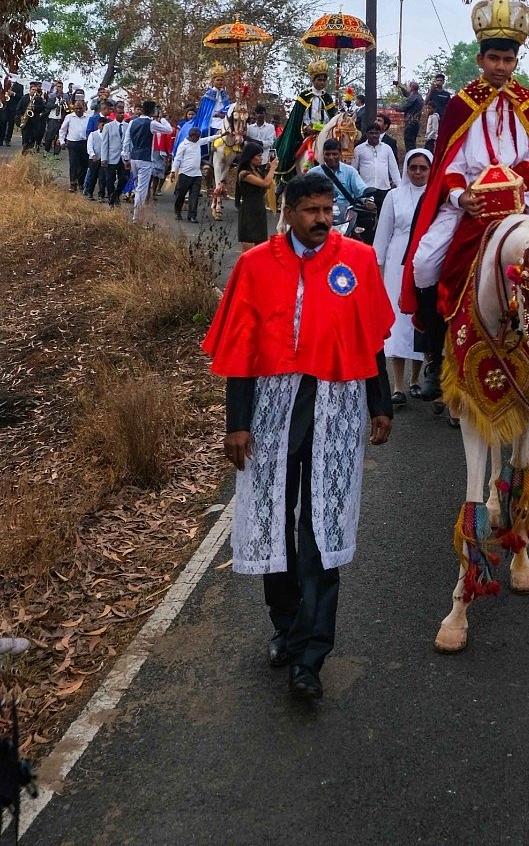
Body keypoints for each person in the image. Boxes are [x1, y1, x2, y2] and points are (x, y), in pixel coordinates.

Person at [202, 170, 393, 701]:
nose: (322, 220)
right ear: (286, 211)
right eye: (310, 210)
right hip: (272, 406)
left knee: (320, 529)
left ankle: (311, 655)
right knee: (276, 519)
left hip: (336, 403)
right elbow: (239, 349)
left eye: (328, 210)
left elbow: (370, 334)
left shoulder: (355, 260)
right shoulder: (254, 266)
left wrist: (380, 404)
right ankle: (285, 625)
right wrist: (236, 423)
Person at [401, 0, 529, 402]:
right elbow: (448, 163)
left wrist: (524, 183)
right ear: (480, 58)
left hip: (520, 203)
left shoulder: (528, 103)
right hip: (468, 203)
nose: (501, 67)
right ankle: (435, 356)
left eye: (508, 60)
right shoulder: (462, 103)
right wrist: (460, 195)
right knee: (425, 264)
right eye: (494, 59)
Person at [376, 149, 432, 405]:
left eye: (423, 168)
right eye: (413, 167)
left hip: (425, 263)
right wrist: (375, 267)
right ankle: (398, 384)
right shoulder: (393, 196)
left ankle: (416, 380)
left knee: (420, 321)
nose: (418, 172)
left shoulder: (436, 197)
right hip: (397, 263)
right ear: (406, 169)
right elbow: (383, 233)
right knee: (399, 322)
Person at [273, 60, 337, 187]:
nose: (322, 83)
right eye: (319, 80)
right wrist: (305, 128)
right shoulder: (304, 96)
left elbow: (332, 118)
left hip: (324, 132)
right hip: (306, 133)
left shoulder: (328, 98)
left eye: (324, 80)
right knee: (292, 151)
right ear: (313, 80)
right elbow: (296, 118)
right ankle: (286, 179)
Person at [122, 100, 173, 222]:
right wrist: (162, 118)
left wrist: (125, 158)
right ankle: (136, 217)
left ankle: (137, 214)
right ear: (152, 111)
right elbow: (169, 130)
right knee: (142, 189)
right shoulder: (151, 123)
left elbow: (126, 141)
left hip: (134, 157)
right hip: (145, 159)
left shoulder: (133, 122)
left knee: (136, 186)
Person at [316, 138, 374, 232]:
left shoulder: (350, 172)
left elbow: (361, 189)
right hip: (319, 215)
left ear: (340, 154)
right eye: (328, 154)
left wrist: (368, 200)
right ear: (323, 154)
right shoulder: (313, 173)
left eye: (334, 154)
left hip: (345, 217)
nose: (331, 157)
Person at [353, 122, 400, 224]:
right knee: (367, 218)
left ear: (380, 133)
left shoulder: (387, 148)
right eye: (371, 133)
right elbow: (354, 170)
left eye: (376, 133)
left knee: (385, 218)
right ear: (366, 134)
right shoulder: (359, 149)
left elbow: (393, 168)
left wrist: (399, 187)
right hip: (366, 189)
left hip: (384, 188)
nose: (374, 135)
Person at [236, 141, 277, 251]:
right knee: (248, 249)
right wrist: (273, 168)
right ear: (250, 157)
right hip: (249, 211)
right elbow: (266, 183)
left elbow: (264, 187)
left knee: (261, 246)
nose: (261, 159)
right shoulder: (244, 174)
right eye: (258, 156)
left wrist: (268, 169)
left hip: (259, 209)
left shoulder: (258, 171)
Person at [58, 96, 90, 192]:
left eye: (80, 108)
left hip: (84, 143)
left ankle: (81, 182)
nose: (78, 110)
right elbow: (62, 130)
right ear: (74, 108)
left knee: (84, 164)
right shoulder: (69, 117)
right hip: (72, 143)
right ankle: (73, 183)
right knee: (73, 164)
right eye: (76, 108)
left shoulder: (89, 117)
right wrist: (62, 141)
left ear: (84, 108)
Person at [172, 126, 204, 222]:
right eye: (196, 137)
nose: (198, 139)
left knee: (194, 196)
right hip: (185, 174)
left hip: (197, 174)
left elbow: (208, 139)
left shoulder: (198, 142)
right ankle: (178, 212)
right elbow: (177, 159)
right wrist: (173, 171)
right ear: (191, 136)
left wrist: (220, 135)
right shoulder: (183, 145)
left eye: (199, 137)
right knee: (181, 195)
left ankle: (192, 215)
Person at [99, 103, 127, 207]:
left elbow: (129, 142)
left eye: (123, 113)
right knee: (110, 179)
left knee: (123, 179)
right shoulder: (108, 126)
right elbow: (105, 143)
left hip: (123, 157)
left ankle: (116, 195)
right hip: (111, 157)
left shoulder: (127, 126)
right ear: (115, 114)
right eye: (119, 113)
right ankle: (111, 198)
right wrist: (104, 158)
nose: (121, 115)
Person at [83, 114, 107, 199]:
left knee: (102, 178)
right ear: (98, 125)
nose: (103, 127)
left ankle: (101, 195)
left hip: (103, 159)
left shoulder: (108, 135)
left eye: (105, 125)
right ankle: (90, 192)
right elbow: (89, 146)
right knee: (92, 176)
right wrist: (93, 155)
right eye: (102, 125)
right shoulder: (93, 134)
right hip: (94, 159)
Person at [395, 80, 424, 150]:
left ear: (411, 88)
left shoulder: (413, 97)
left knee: (409, 143)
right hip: (416, 123)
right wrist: (400, 87)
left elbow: (404, 107)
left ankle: (410, 158)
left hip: (410, 123)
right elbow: (407, 94)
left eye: (408, 87)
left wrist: (396, 107)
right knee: (412, 142)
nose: (407, 88)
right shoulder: (419, 97)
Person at [19, 82, 46, 151]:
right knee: (25, 136)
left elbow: (43, 108)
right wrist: (20, 118)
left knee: (34, 136)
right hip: (26, 120)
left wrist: (35, 107)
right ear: (30, 90)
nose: (34, 91)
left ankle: (30, 148)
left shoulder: (39, 99)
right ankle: (24, 149)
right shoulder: (24, 98)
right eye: (33, 89)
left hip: (35, 121)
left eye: (35, 90)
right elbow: (18, 108)